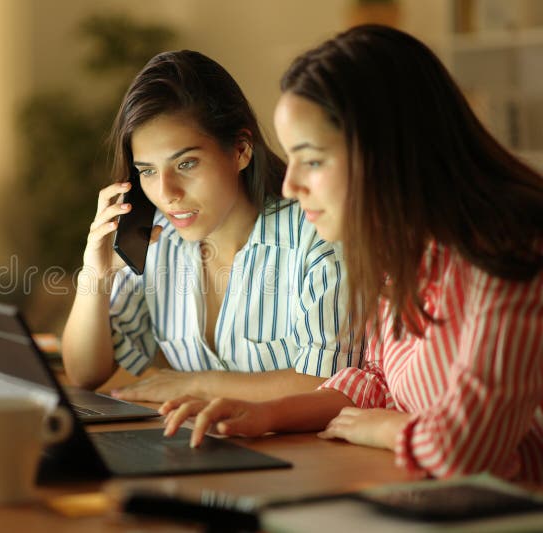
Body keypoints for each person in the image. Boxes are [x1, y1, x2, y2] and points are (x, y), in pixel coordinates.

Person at [161, 25, 543, 483]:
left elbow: (465, 448)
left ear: (385, 152)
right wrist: (268, 414)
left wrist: (388, 428)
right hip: (430, 495)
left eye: (314, 160)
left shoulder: (510, 249)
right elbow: (377, 380)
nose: (290, 185)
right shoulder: (405, 249)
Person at [61, 50, 363, 404]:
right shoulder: (156, 239)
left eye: (186, 163)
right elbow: (84, 373)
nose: (167, 193)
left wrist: (198, 384)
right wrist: (95, 274)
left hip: (306, 456)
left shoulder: (315, 235)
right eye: (148, 171)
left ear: (241, 150)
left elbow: (331, 383)